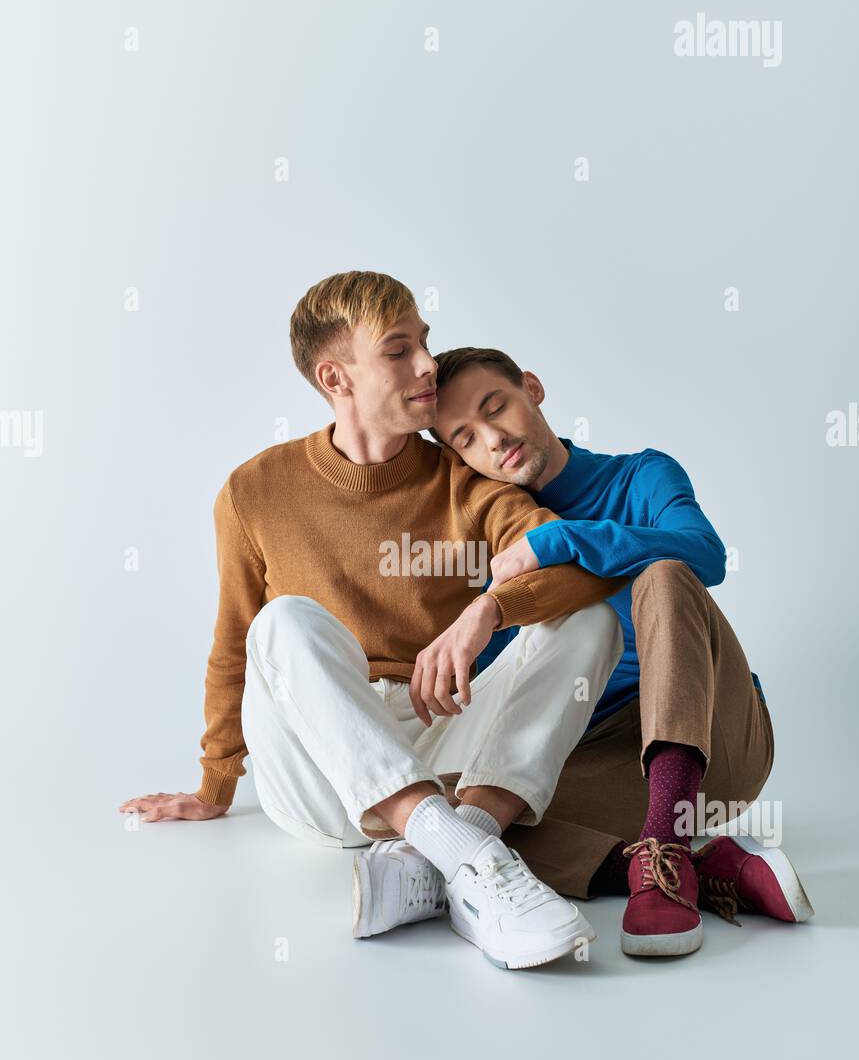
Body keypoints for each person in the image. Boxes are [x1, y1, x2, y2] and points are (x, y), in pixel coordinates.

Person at [118, 273, 626, 972]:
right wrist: (214, 786)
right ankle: (477, 862)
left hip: (443, 751)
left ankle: (447, 855)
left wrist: (491, 607)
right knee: (283, 621)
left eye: (425, 341)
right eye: (398, 350)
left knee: (588, 620)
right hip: (320, 774)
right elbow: (237, 643)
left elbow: (585, 567)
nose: (428, 365)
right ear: (336, 377)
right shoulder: (254, 490)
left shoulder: (463, 479)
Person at [412, 345, 813, 957]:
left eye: (497, 407)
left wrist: (561, 539)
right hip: (606, 761)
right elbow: (498, 691)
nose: (493, 438)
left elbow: (705, 554)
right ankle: (694, 872)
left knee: (664, 572)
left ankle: (666, 853)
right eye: (466, 438)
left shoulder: (640, 475)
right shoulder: (490, 541)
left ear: (532, 388)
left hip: (717, 734)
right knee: (442, 820)